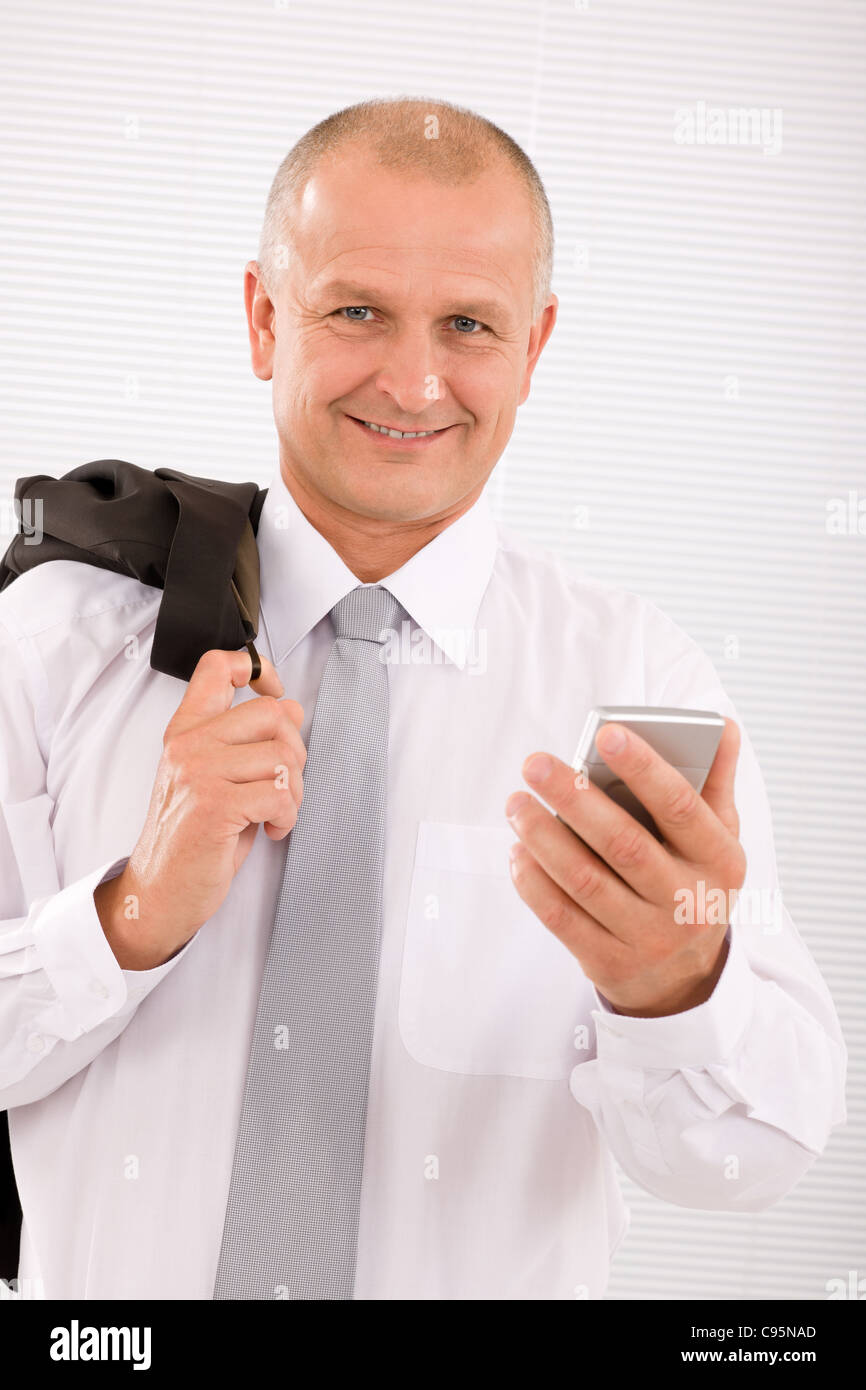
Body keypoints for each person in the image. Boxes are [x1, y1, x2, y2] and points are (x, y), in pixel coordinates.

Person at [0, 95, 846, 1301]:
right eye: (356, 310)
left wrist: (673, 986)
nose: (412, 379)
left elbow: (753, 1161)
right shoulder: (56, 642)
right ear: (261, 318)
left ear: (534, 347)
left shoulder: (639, 688)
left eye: (467, 323)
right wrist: (129, 915)